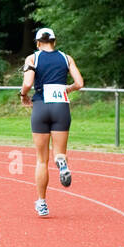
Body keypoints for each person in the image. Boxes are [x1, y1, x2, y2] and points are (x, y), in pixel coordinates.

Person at [19, 27, 84, 217]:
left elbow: (28, 83)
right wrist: (67, 89)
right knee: (59, 153)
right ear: (54, 41)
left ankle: (42, 203)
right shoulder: (66, 58)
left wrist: (23, 95)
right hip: (61, 107)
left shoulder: (33, 58)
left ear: (38, 43)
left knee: (41, 160)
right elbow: (79, 83)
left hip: (41, 106)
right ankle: (62, 162)